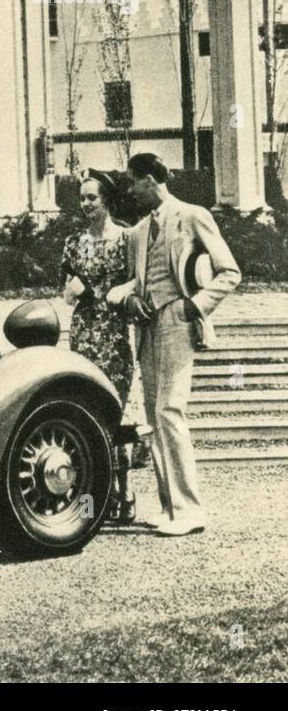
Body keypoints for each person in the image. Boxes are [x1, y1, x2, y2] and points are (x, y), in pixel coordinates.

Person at [107, 153, 241, 537]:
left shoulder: (192, 215)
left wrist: (194, 306)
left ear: (150, 180)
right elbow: (138, 280)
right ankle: (170, 508)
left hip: (178, 324)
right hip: (147, 328)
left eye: (132, 182)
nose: (128, 191)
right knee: (153, 415)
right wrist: (128, 299)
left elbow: (229, 271)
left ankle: (190, 509)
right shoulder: (137, 232)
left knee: (170, 410)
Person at [61, 170, 148, 523]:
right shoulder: (74, 243)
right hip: (85, 332)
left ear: (106, 201)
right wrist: (74, 287)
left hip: (115, 332)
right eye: (82, 198)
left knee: (119, 412)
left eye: (92, 198)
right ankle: (97, 497)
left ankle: (125, 493)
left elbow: (139, 278)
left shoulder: (126, 238)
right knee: (89, 411)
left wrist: (123, 290)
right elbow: (66, 293)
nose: (86, 204)